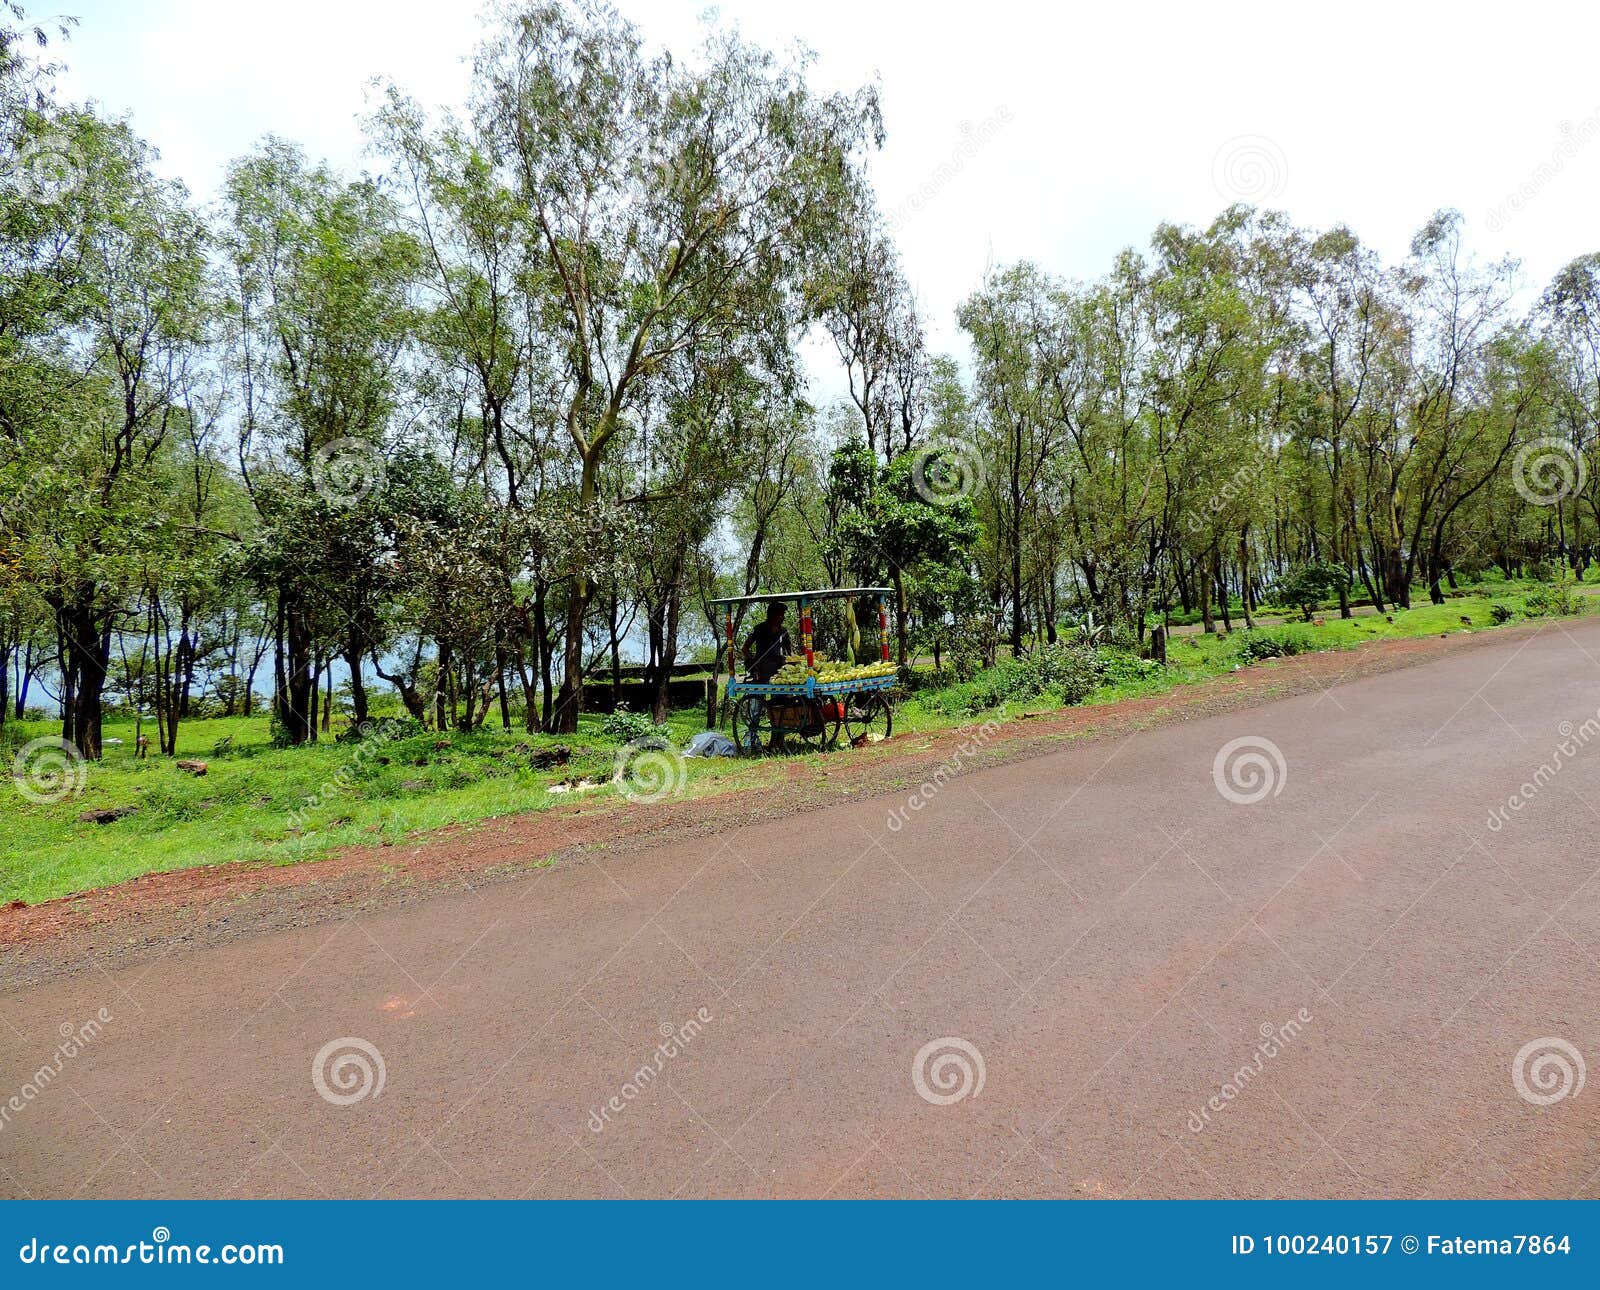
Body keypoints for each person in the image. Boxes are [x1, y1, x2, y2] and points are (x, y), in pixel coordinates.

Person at [743, 601, 792, 683]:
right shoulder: (759, 629)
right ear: (771, 615)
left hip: (778, 665)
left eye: (783, 615)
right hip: (762, 666)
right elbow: (745, 648)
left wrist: (791, 661)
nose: (783, 617)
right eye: (780, 614)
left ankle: (779, 696)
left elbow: (789, 651)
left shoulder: (783, 631)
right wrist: (753, 662)